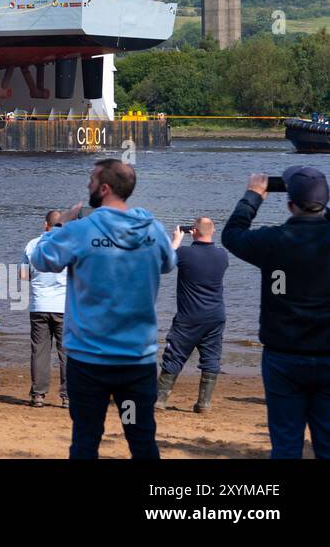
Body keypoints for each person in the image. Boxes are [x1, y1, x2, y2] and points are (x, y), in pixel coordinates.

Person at [30, 159, 174, 459]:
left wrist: (60, 224)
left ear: (105, 188)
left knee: (86, 439)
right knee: (141, 438)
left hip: (89, 360)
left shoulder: (80, 230)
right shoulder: (152, 229)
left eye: (92, 180)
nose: (88, 185)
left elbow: (42, 259)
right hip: (136, 360)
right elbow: (167, 263)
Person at [222, 167, 330, 459]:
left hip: (283, 355)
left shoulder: (272, 241)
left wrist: (252, 197)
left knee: (285, 445)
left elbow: (232, 235)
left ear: (289, 204)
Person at [156, 217, 228, 413]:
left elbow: (164, 263)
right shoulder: (222, 256)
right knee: (211, 357)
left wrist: (176, 240)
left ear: (193, 232)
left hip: (189, 317)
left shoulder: (184, 253)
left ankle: (160, 400)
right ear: (212, 231)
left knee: (175, 354)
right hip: (216, 316)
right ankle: (204, 404)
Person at [23, 210, 68, 408]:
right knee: (66, 352)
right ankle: (68, 396)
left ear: (45, 225)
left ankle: (38, 395)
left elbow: (24, 276)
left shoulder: (32, 245)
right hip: (65, 307)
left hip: (39, 305)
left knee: (39, 351)